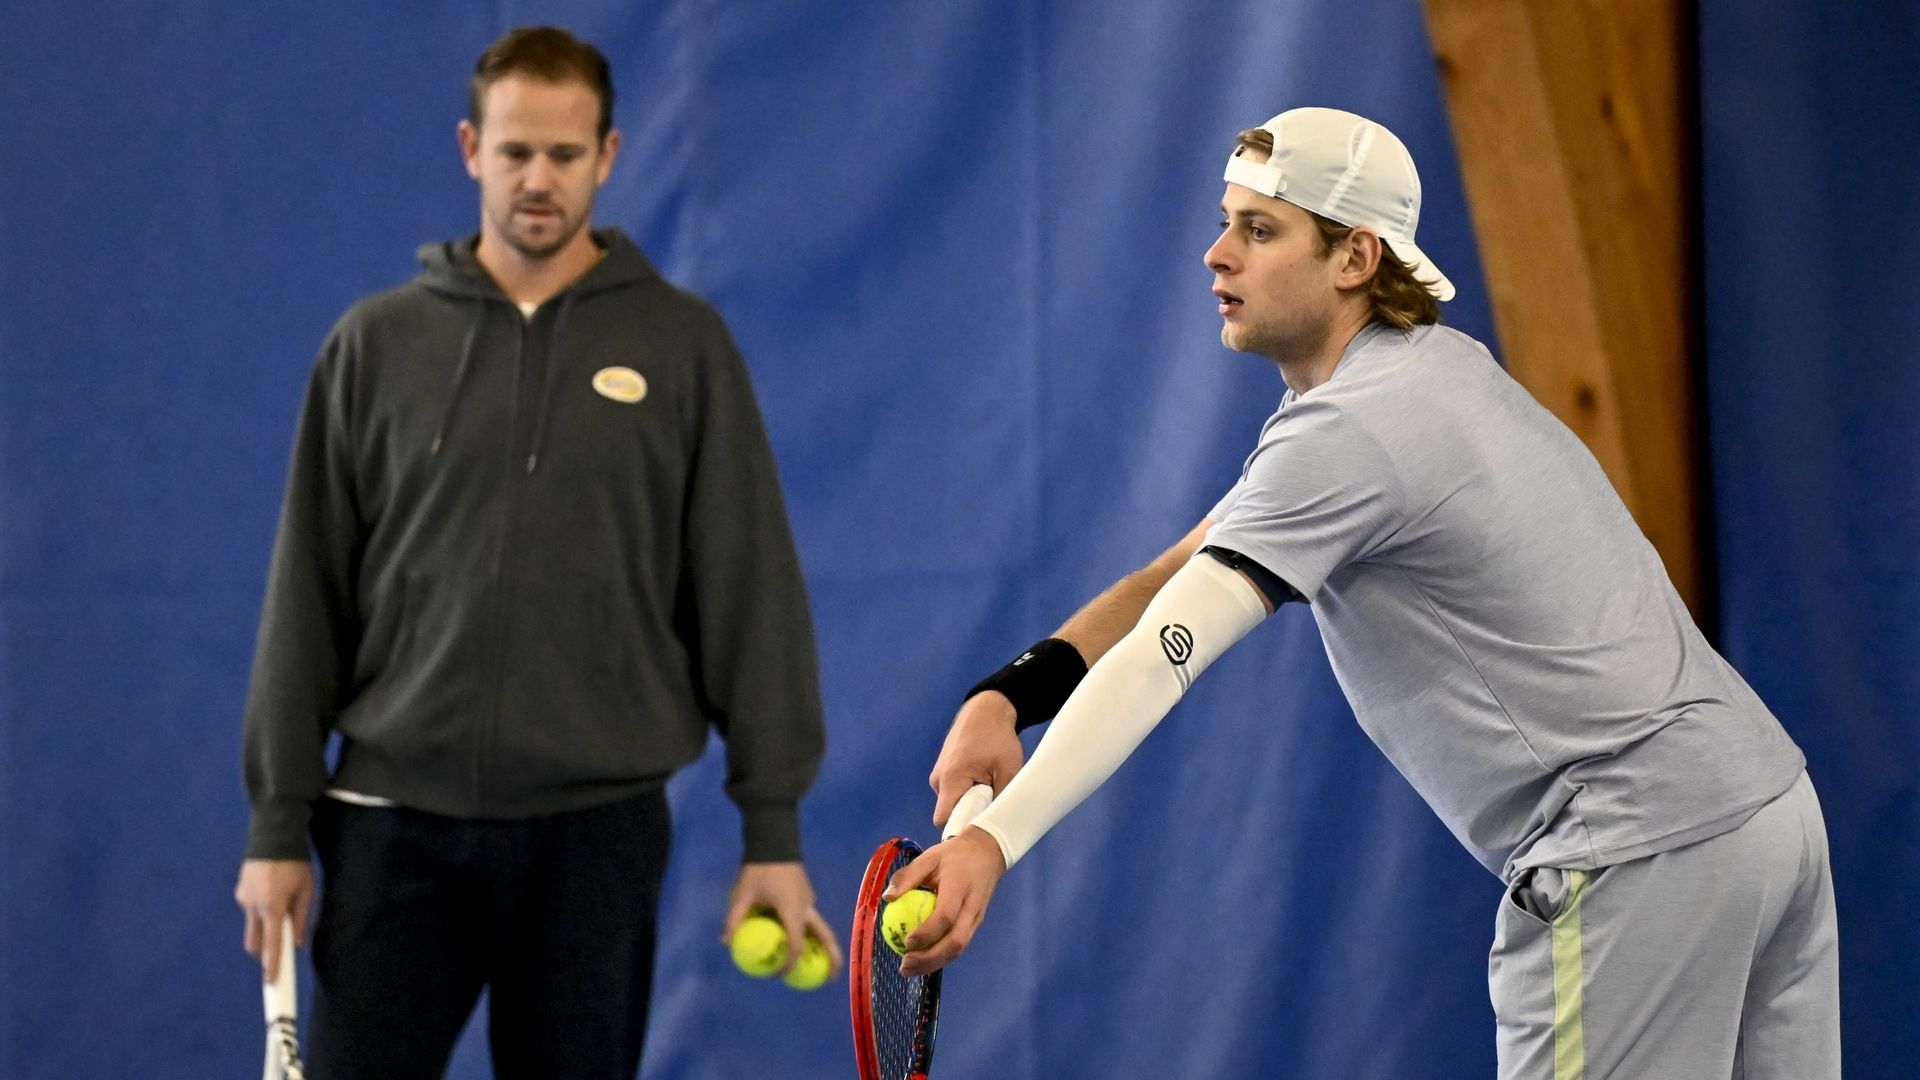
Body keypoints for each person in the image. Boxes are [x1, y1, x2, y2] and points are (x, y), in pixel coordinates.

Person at [891, 107, 1840, 1078]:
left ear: (1354, 259)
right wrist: (1010, 694)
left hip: (1640, 851)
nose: (1217, 254)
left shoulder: (1349, 436)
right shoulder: (1426, 377)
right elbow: (1177, 570)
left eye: (1261, 230)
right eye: (1227, 220)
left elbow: (1164, 654)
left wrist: (994, 842)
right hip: (1765, 813)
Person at [231, 25, 839, 1079]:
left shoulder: (683, 348)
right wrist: (278, 826)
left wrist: (772, 834)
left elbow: (750, 593)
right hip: (389, 836)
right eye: (516, 153)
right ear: (472, 148)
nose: (539, 180)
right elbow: (305, 601)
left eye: (565, 154)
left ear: (608, 155)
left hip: (592, 842)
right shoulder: (373, 348)